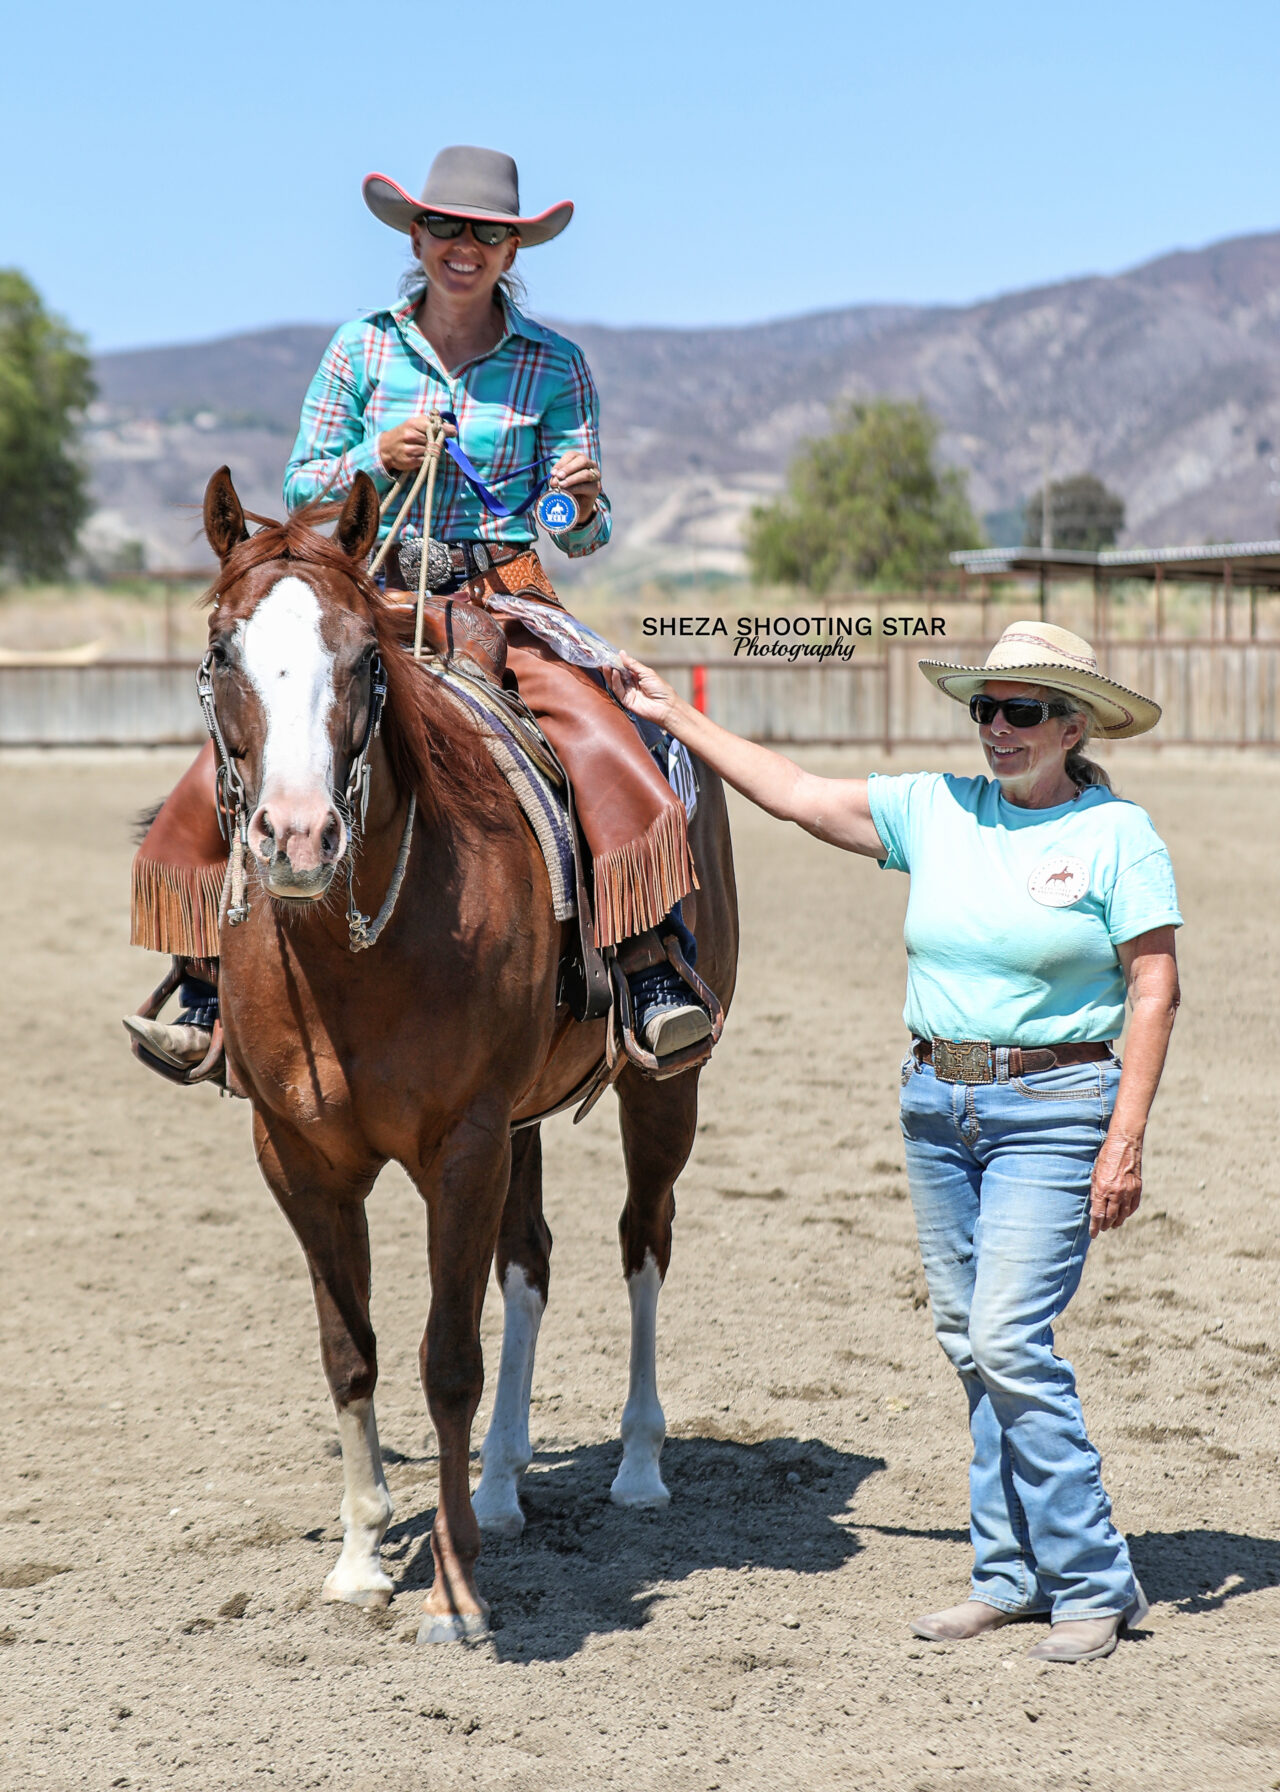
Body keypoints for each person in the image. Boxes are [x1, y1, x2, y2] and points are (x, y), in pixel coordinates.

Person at [608, 620, 1181, 1664]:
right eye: (984, 709)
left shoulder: (1116, 837)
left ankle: (1095, 1577)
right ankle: (1006, 1575)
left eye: (1021, 712)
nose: (995, 731)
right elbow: (791, 791)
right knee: (971, 1347)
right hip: (933, 1108)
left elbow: (1152, 987)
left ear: (1074, 725)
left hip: (1053, 1109)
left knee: (1008, 1338)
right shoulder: (935, 807)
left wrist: (1124, 1137)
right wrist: (675, 717)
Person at [127, 146, 711, 1072]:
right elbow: (304, 491)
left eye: (488, 233)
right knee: (249, 736)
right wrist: (374, 455)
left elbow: (584, 535)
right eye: (445, 227)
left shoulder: (557, 366)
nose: (464, 246)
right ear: (416, 234)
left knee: (610, 733)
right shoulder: (359, 347)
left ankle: (648, 966)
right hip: (369, 594)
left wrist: (586, 505)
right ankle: (201, 980)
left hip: (502, 597)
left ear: (514, 251)